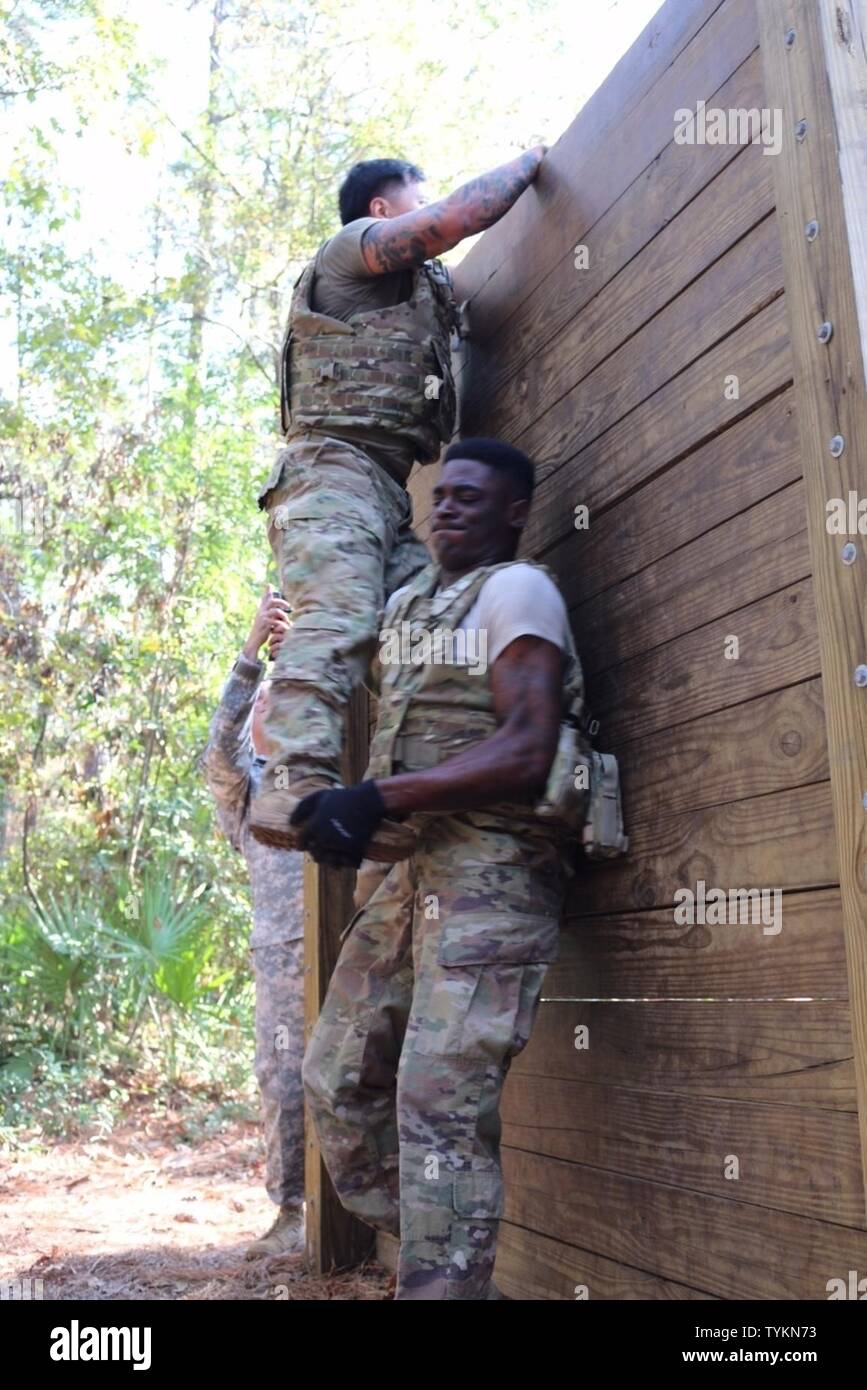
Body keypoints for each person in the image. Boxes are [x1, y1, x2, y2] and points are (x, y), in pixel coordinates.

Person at [295, 437, 582, 1299]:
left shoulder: (517, 589)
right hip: (418, 873)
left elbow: (528, 747)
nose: (446, 506)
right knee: (336, 1076)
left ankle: (440, 1284)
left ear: (515, 511)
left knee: (438, 1109)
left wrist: (380, 796)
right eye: (441, 494)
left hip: (494, 874)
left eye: (469, 496)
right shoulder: (424, 599)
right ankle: (450, 1267)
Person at [250, 149, 547, 859]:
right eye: (417, 195)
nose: (427, 203)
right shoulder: (352, 250)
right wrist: (533, 161)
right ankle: (290, 782)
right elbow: (455, 219)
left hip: (382, 488)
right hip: (331, 469)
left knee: (422, 632)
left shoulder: (417, 292)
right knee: (341, 615)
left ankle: (395, 797)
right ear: (382, 210)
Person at [202, 587, 306, 1258]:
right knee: (281, 1075)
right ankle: (292, 1210)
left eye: (276, 697)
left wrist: (295, 651)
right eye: (260, 702)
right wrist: (250, 654)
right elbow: (219, 747)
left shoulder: (321, 771)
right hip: (281, 961)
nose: (265, 703)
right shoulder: (246, 793)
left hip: (351, 943)